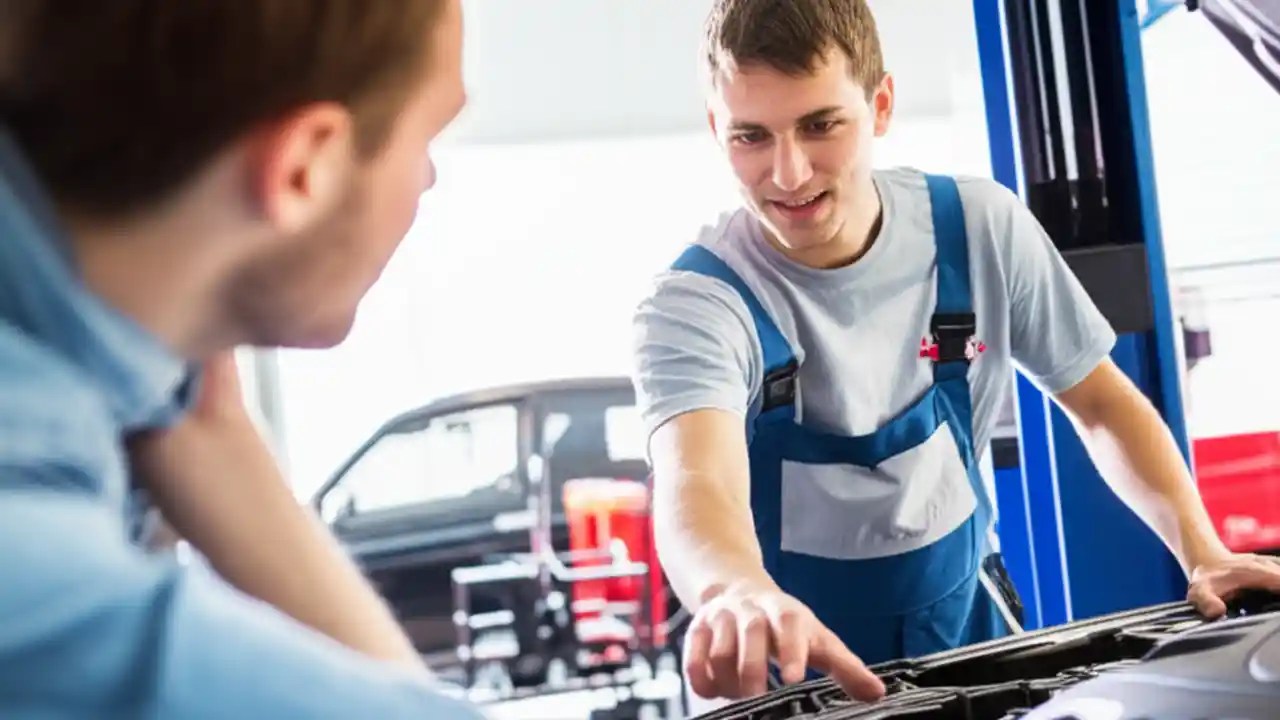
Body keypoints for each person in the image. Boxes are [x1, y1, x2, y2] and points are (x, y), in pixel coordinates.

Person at [629, 0, 1280, 711]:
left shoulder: (975, 229)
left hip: (972, 649)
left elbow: (1100, 402)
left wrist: (1203, 551)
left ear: (880, 105)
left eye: (820, 125)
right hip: (785, 673)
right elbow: (699, 479)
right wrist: (732, 591)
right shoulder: (697, 302)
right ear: (716, 128)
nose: (787, 173)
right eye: (751, 136)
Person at [0, 1, 488, 717]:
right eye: (427, 139)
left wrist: (207, 424)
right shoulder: (45, 586)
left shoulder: (98, 368)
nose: (427, 181)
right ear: (305, 167)